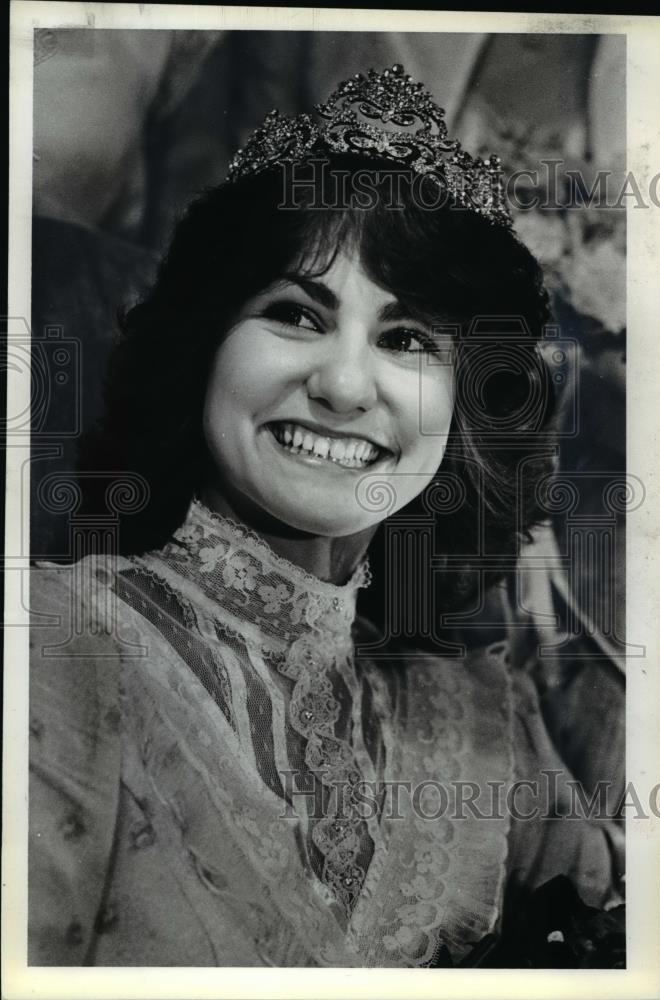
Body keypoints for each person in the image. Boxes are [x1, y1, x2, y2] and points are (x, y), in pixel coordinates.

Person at [29, 65, 623, 967]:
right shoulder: (56, 649)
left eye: (406, 339)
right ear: (202, 349)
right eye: (296, 315)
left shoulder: (483, 719)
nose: (344, 386)